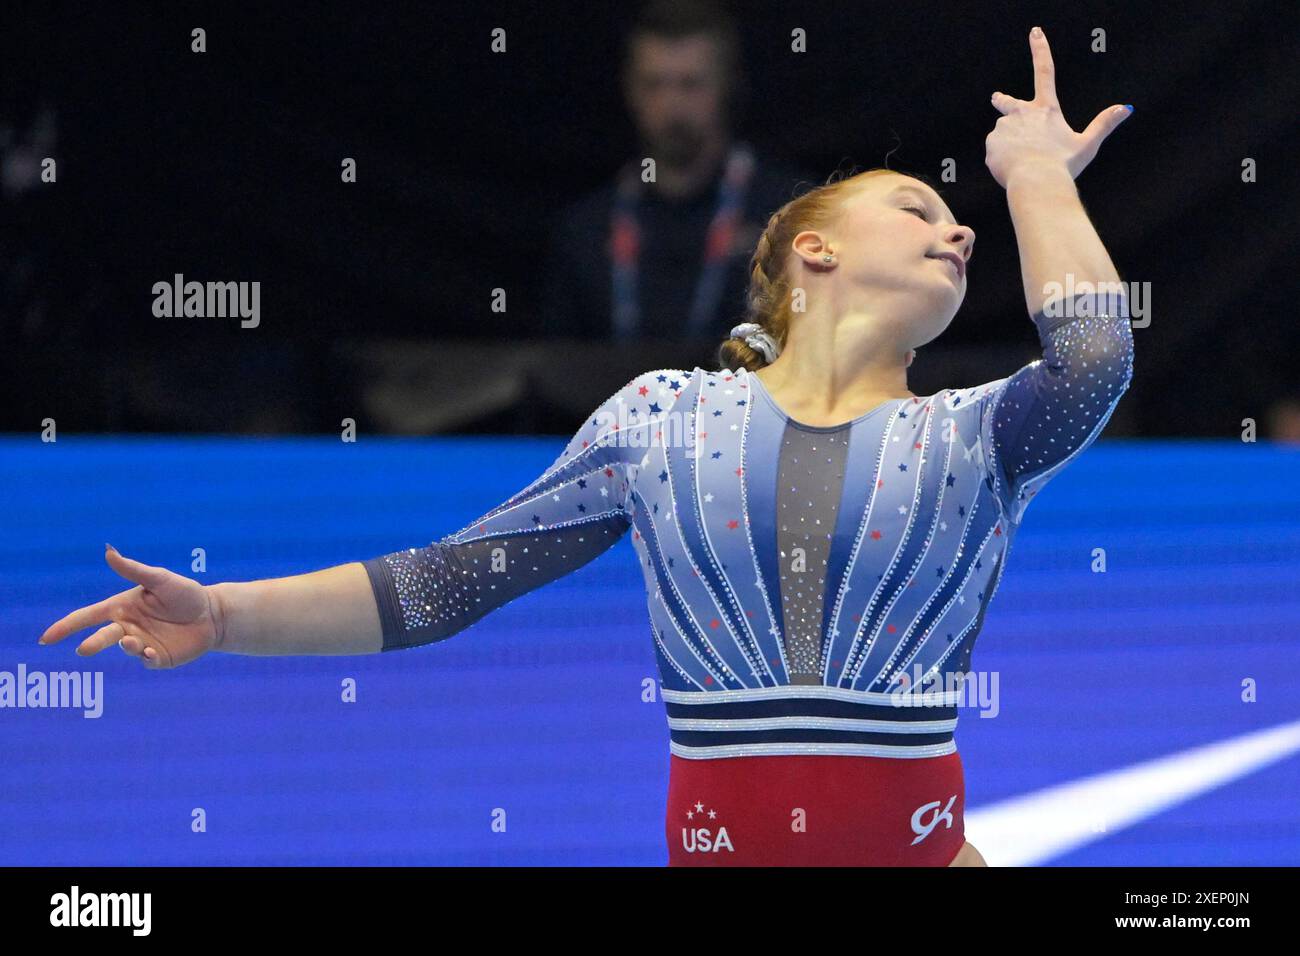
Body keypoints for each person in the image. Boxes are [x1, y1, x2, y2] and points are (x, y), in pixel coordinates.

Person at [39, 27, 1134, 866]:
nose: (958, 228)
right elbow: (447, 579)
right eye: (915, 207)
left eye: (961, 219)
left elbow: (1092, 359)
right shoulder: (663, 420)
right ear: (814, 249)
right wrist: (226, 613)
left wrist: (1035, 176)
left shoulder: (969, 435)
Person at [538, 0, 813, 342]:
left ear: (727, 86)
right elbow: (558, 370)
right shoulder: (585, 231)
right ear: (629, 90)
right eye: (654, 84)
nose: (671, 105)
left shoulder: (790, 220)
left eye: (690, 84)